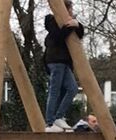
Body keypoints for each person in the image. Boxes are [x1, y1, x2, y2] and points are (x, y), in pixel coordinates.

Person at [43, 0, 84, 132]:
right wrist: (70, 27)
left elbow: (80, 34)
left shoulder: (69, 22)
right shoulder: (51, 20)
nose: (71, 12)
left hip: (65, 61)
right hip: (55, 60)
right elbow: (59, 36)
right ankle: (49, 122)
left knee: (72, 88)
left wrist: (77, 25)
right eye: (70, 9)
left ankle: (58, 117)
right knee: (54, 90)